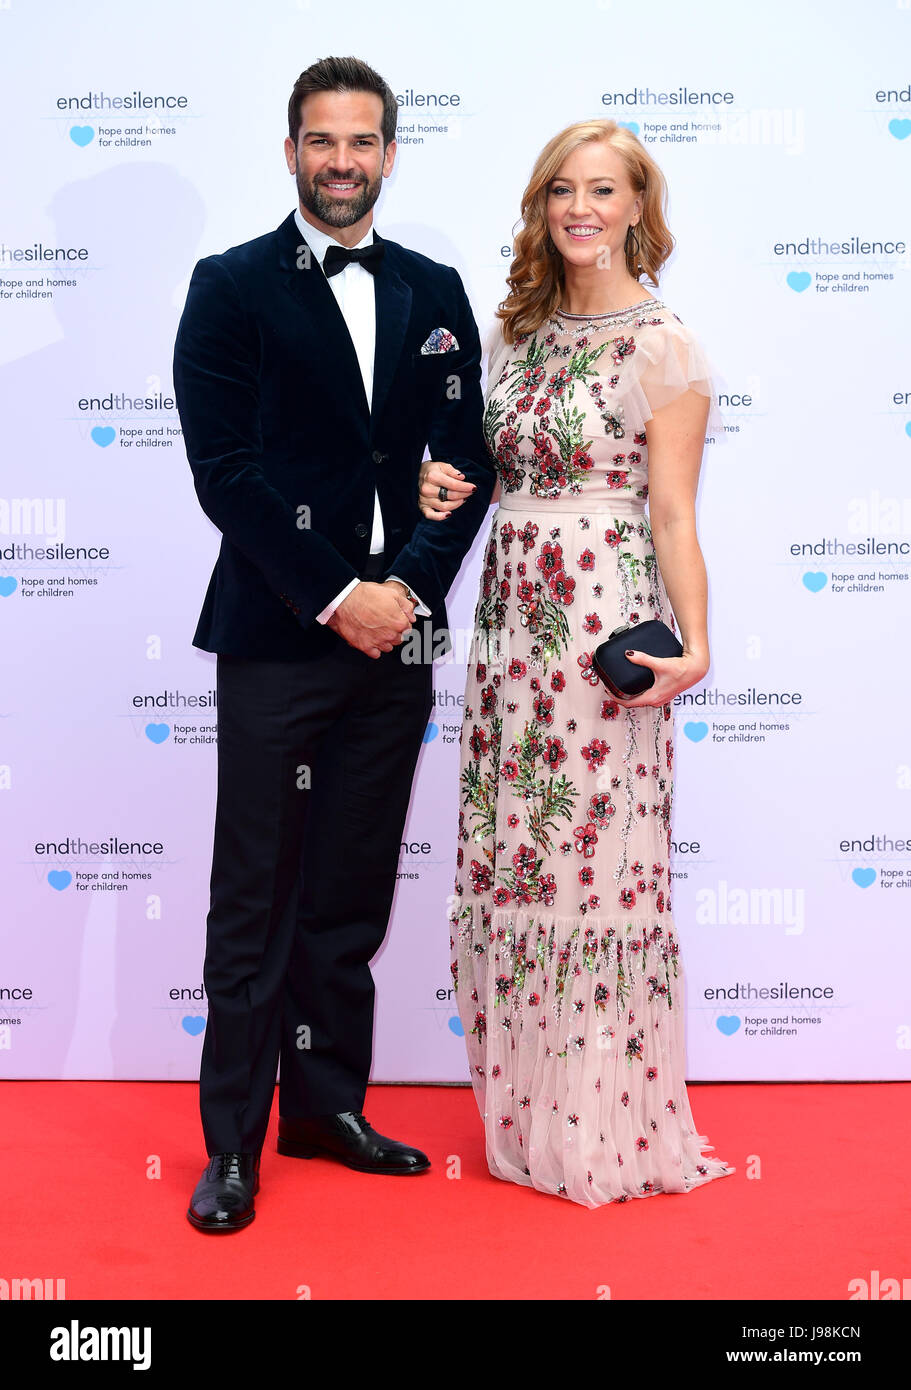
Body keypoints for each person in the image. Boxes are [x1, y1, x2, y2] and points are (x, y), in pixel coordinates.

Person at [173, 56, 495, 1231]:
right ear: (290, 152)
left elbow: (465, 463)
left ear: (390, 154)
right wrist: (338, 596)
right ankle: (231, 1146)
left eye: (362, 141)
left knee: (350, 890)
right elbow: (228, 476)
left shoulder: (432, 288)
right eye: (322, 140)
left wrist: (401, 591)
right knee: (253, 896)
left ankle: (323, 1107)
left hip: (395, 642)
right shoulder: (229, 285)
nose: (342, 161)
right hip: (279, 633)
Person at [421, 119, 734, 1206]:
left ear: (638, 207)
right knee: (519, 861)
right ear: (540, 205)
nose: (579, 208)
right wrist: (431, 485)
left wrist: (696, 644)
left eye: (603, 189)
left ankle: (603, 1127)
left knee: (593, 868)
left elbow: (673, 514)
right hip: (512, 631)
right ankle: (527, 1114)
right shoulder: (515, 332)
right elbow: (481, 473)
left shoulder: (664, 346)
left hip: (599, 628)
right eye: (561, 188)